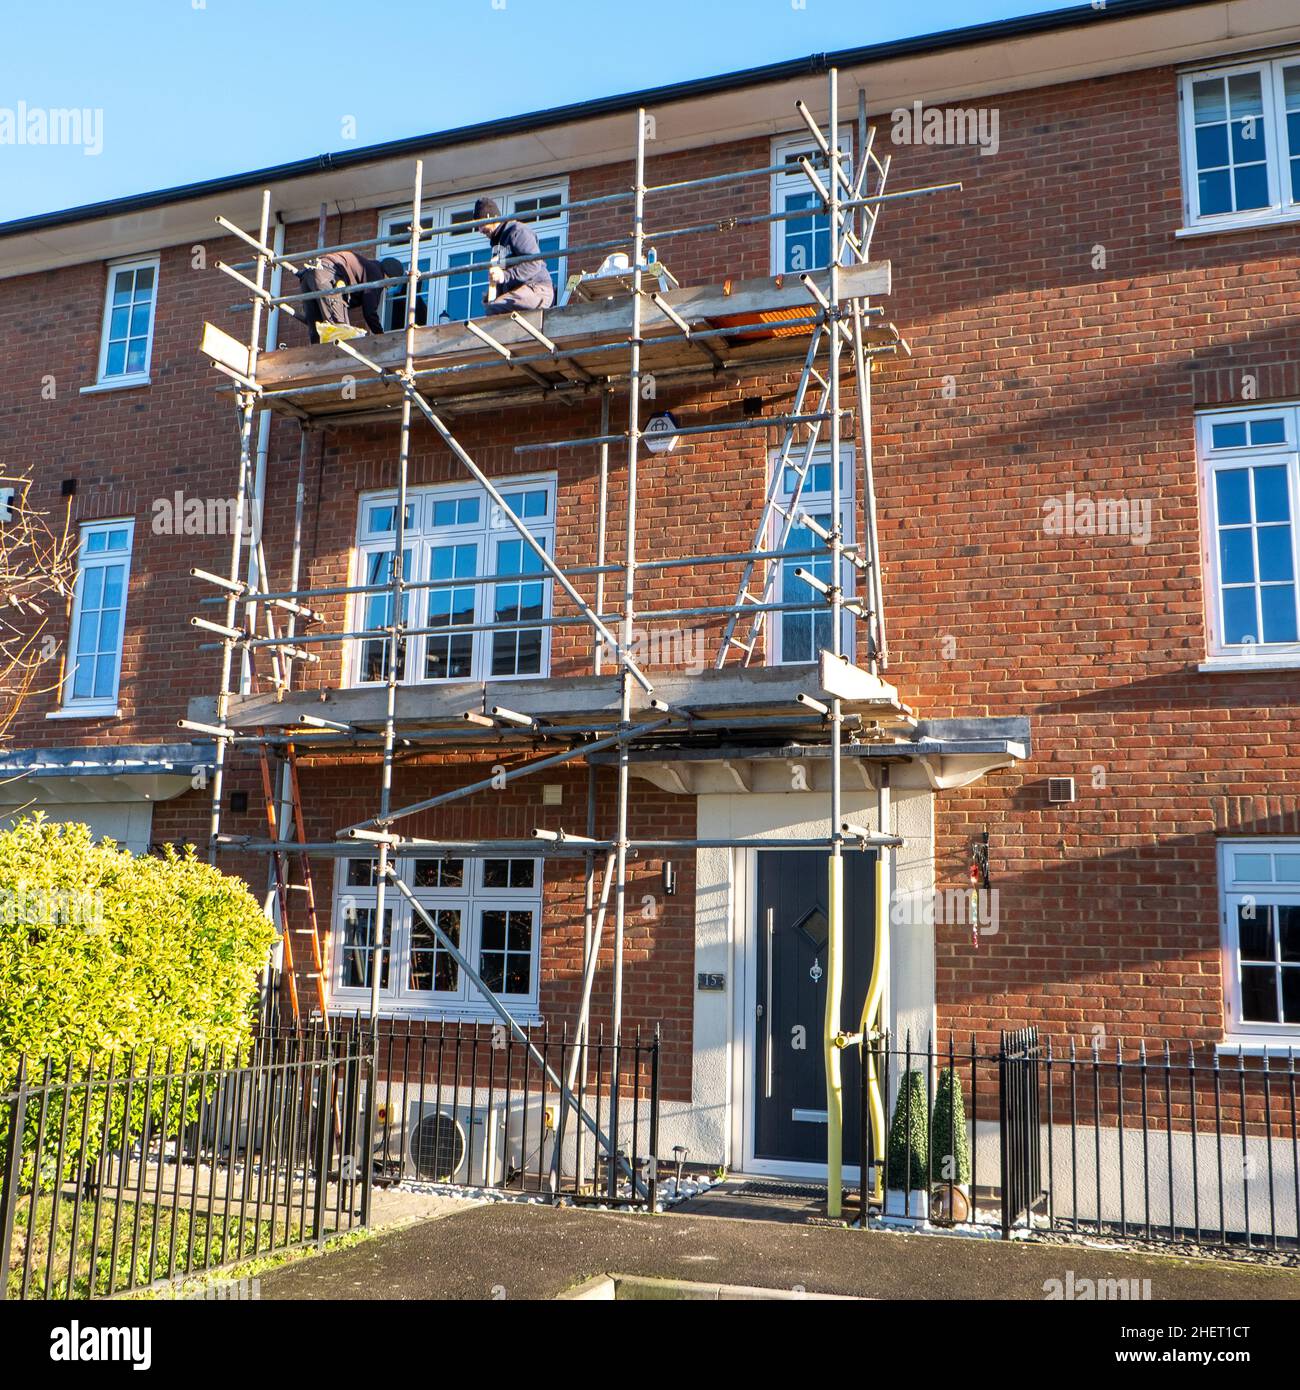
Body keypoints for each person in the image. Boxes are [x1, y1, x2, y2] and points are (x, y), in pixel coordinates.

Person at [297, 250, 404, 343]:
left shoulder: (366, 268)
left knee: (317, 328)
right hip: (327, 276)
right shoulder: (377, 275)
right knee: (339, 329)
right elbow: (370, 312)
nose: (386, 288)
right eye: (389, 285)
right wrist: (381, 336)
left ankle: (319, 360)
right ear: (389, 277)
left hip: (309, 275)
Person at [474, 197, 555, 316]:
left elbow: (534, 263)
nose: (480, 230)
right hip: (521, 292)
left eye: (480, 225)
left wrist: (504, 276)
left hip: (538, 289)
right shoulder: (497, 245)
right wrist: (491, 295)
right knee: (492, 309)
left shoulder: (517, 231)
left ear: (489, 217)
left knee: (495, 308)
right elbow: (501, 280)